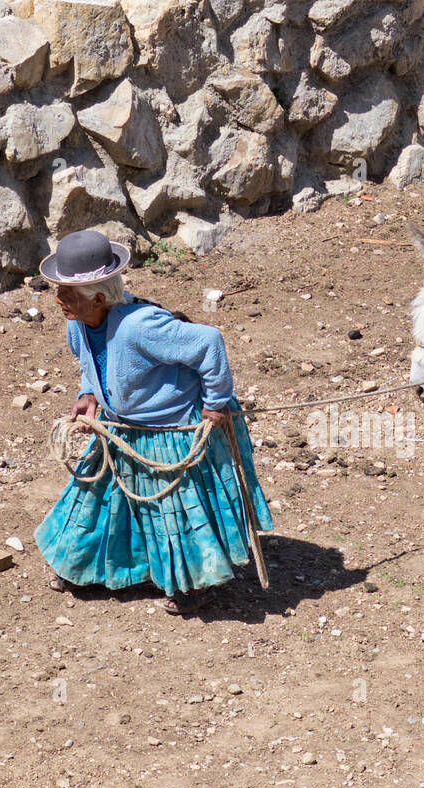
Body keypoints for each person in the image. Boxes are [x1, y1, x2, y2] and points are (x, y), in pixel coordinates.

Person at [33, 230, 273, 614]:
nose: (57, 300)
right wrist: (89, 394)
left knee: (172, 508)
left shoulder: (141, 326)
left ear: (98, 297)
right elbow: (92, 363)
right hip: (123, 427)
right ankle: (82, 565)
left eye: (66, 293)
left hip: (170, 428)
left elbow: (209, 342)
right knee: (96, 499)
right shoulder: (77, 323)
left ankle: (192, 582)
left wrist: (214, 402)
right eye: (58, 290)